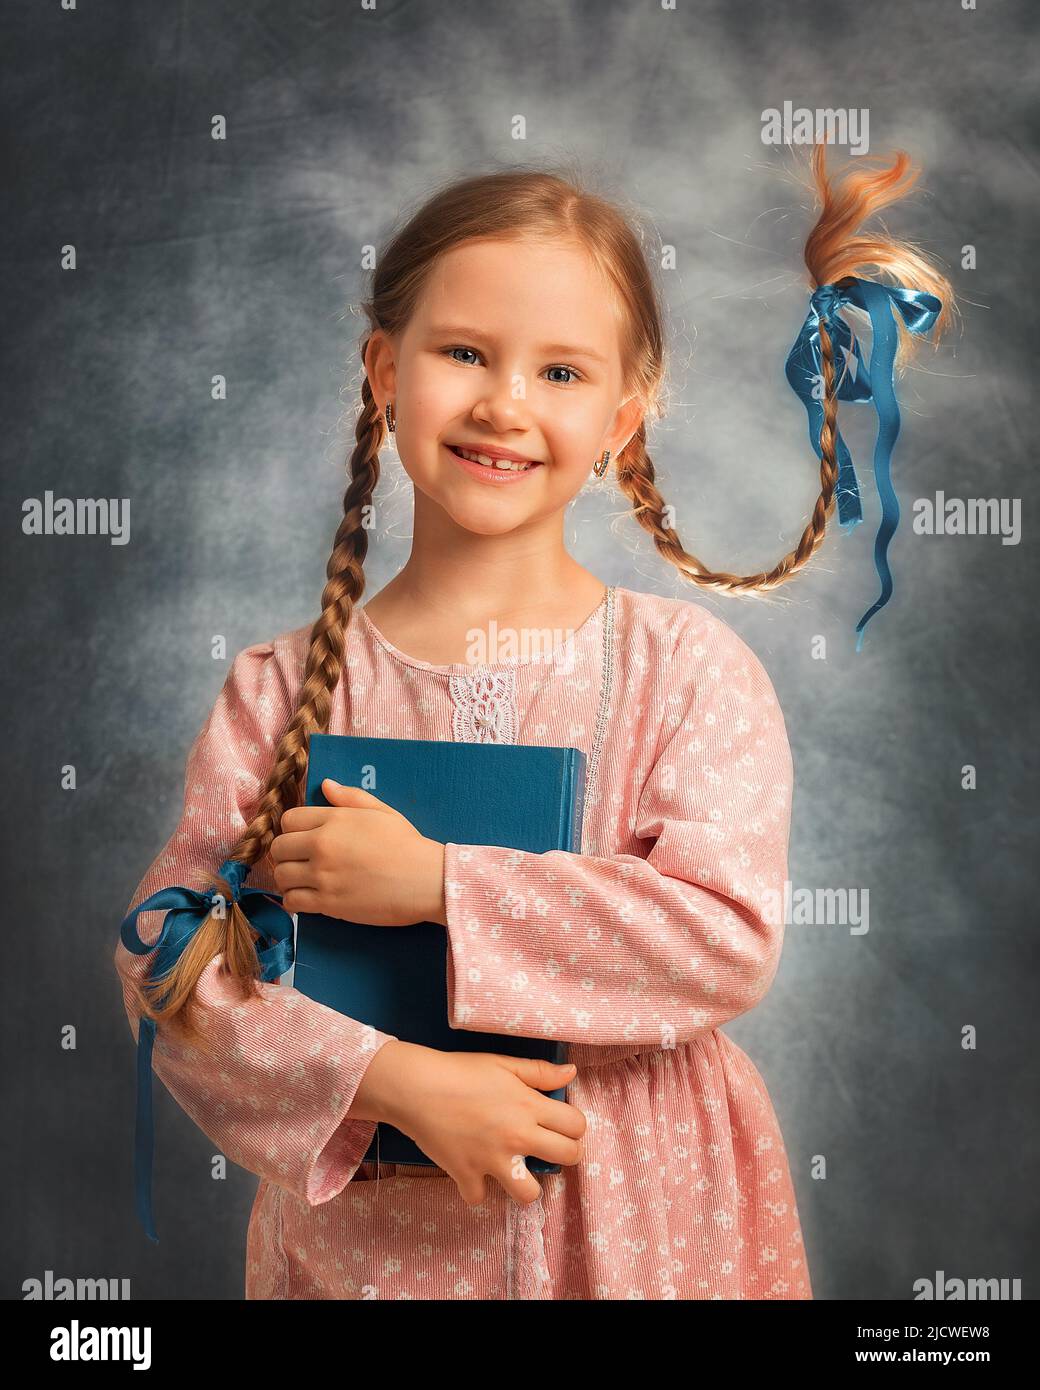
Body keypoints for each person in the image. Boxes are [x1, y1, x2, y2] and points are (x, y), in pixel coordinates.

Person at [115, 144, 954, 1299]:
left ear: (622, 416)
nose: (504, 402)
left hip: (645, 1213)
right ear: (383, 372)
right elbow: (172, 969)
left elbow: (721, 932)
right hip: (372, 1253)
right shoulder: (278, 690)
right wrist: (392, 1082)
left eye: (560, 373)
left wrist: (442, 887)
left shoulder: (686, 672)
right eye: (463, 351)